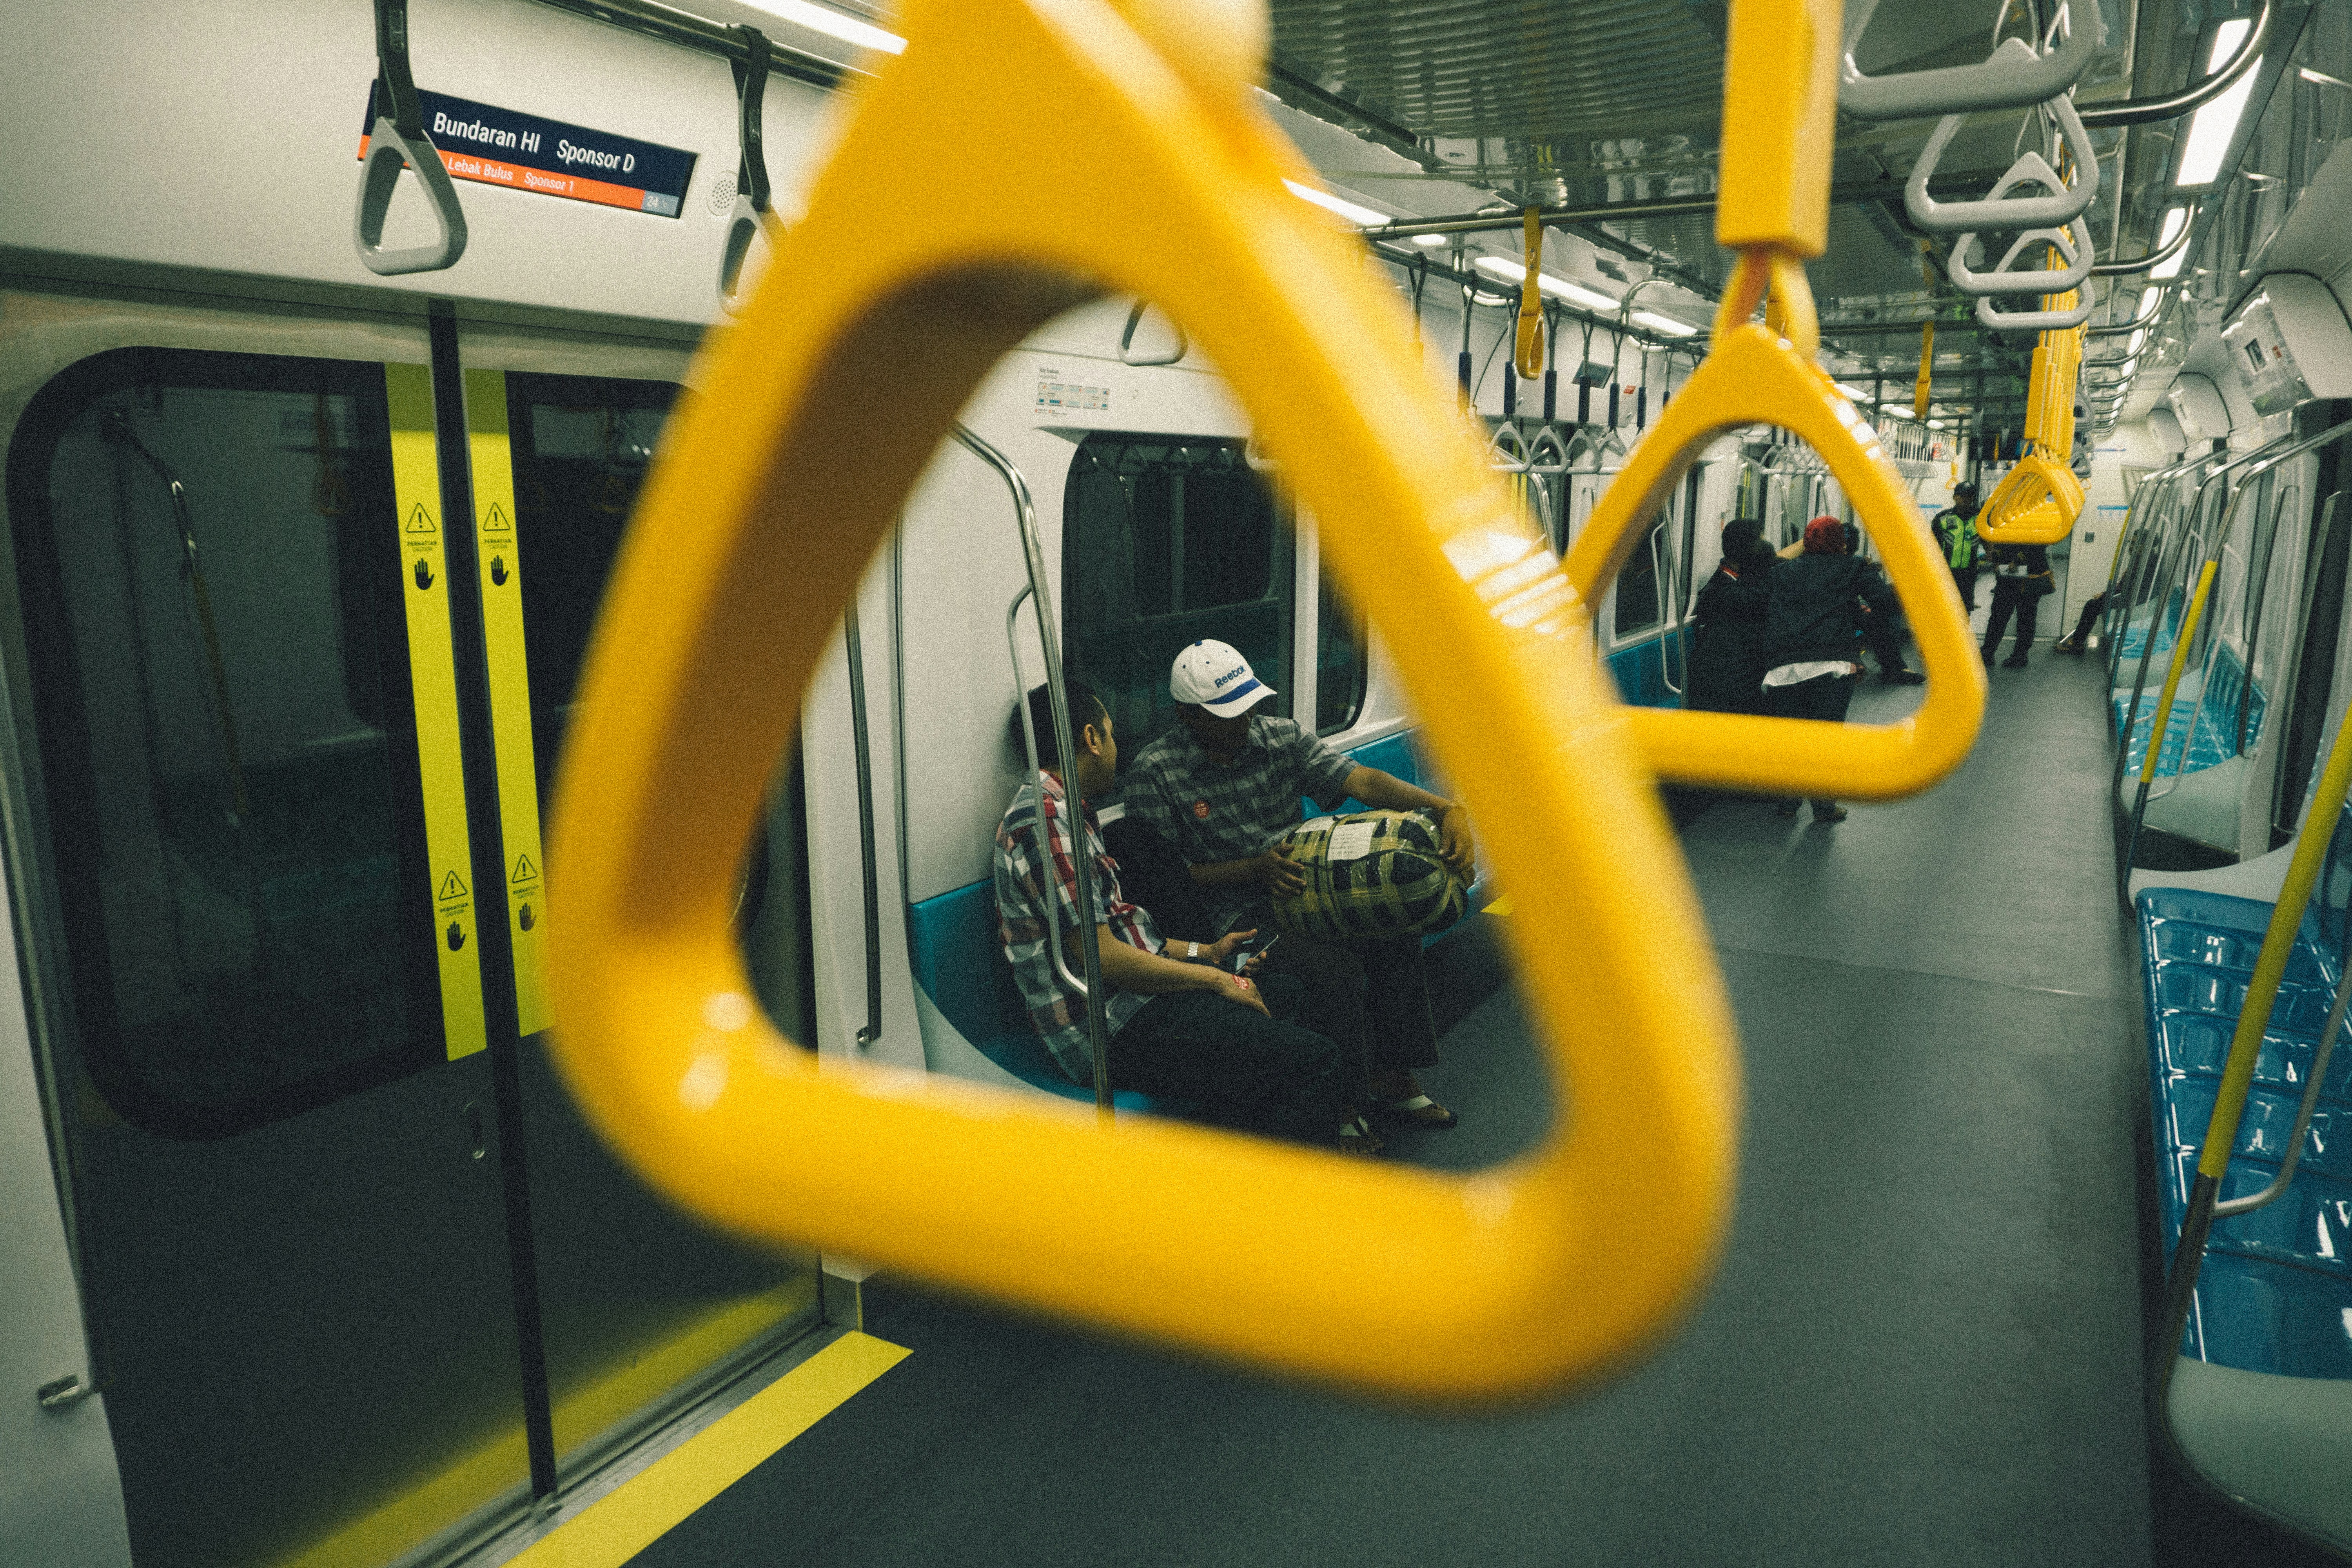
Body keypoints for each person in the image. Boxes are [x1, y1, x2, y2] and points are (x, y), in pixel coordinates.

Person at [993, 678, 1359, 1149]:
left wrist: (1206, 952)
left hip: (1132, 1003)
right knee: (1316, 1060)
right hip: (1109, 1030)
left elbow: (1117, 931)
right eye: (1111, 734)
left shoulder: (1064, 813)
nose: (1117, 748)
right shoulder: (1044, 823)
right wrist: (1215, 980)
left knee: (1284, 995)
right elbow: (1098, 958)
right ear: (1090, 739)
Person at [1122, 640, 1472, 1132]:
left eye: (1248, 706)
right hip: (1234, 914)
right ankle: (1344, 1104)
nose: (1244, 721)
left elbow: (1362, 781)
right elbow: (1171, 878)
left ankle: (1394, 1077)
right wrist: (1253, 869)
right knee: (1330, 964)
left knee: (1394, 929)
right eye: (1227, 714)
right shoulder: (1155, 774)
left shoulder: (1280, 737)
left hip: (1306, 889)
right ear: (1188, 716)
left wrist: (1443, 807)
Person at [1760, 515, 1897, 824]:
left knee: (1790, 738)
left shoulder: (1781, 572)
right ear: (1842, 543)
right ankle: (1824, 808)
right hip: (1832, 663)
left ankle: (1787, 802)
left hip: (1784, 665)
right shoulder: (1853, 567)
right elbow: (1884, 602)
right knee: (1826, 738)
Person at [1688, 517, 1777, 715]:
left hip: (1708, 684)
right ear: (1747, 551)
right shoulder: (1740, 594)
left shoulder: (1721, 585)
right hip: (1733, 692)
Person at [1980, 538, 2054, 669]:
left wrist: (2017, 560)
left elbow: (2039, 544)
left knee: (2023, 618)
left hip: (2029, 575)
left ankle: (2018, 656)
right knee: (2001, 616)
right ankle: (1991, 653)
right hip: (2010, 573)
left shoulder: (2036, 521)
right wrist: (1996, 557)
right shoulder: (2010, 520)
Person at [1930, 482, 1984, 612]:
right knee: (1945, 608)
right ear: (1955, 497)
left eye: (1970, 496)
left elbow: (1989, 541)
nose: (1967, 499)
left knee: (1965, 610)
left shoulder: (1980, 518)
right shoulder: (1943, 518)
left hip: (1969, 572)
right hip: (1947, 572)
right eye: (1963, 496)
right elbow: (1931, 545)